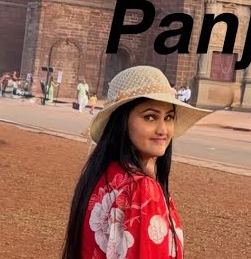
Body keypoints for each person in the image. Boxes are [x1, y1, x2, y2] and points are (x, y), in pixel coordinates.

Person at [61, 66, 209, 259]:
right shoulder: (141, 189)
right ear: (122, 121)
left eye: (169, 117)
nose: (163, 129)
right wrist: (150, 184)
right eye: (150, 117)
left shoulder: (105, 175)